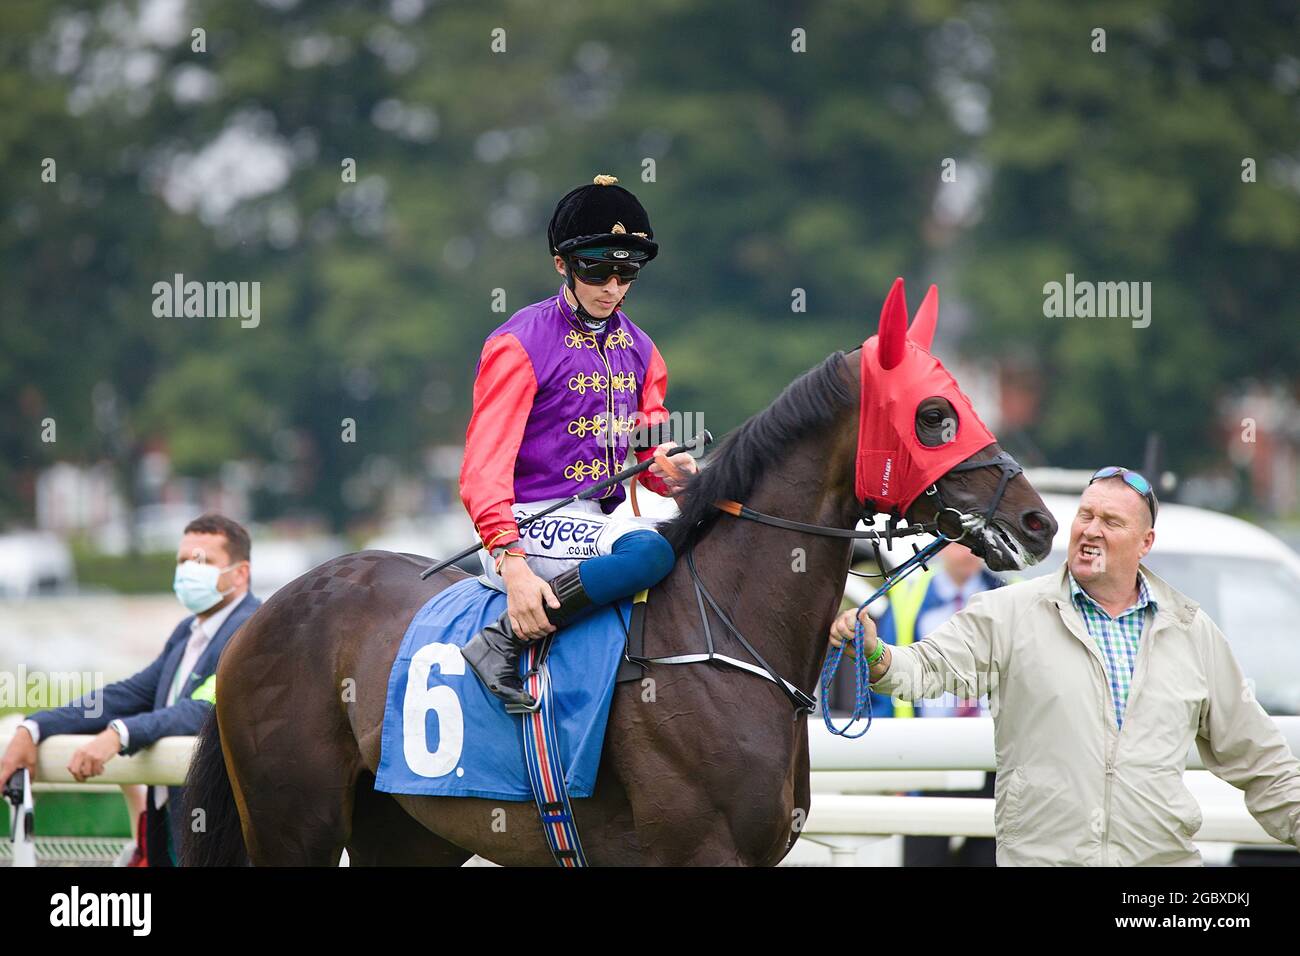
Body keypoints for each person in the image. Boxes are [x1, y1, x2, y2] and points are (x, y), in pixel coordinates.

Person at [829, 466, 1300, 865]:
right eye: (1085, 515)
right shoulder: (1008, 612)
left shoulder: (1193, 632)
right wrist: (875, 651)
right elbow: (925, 669)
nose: (1091, 529)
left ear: (1145, 542)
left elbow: (1261, 761)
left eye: (1111, 521)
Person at [458, 173, 697, 710]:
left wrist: (677, 470)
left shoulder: (642, 349)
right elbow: (481, 472)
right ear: (562, 265)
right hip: (529, 520)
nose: (612, 287)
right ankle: (503, 638)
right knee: (651, 551)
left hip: (597, 518)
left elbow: (648, 448)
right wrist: (512, 565)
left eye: (627, 272)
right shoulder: (518, 343)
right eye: (597, 270)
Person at [0, 514, 261, 866]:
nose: (187, 570)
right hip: (173, 830)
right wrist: (35, 726)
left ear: (240, 573)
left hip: (222, 835)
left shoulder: (253, 632)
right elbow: (127, 694)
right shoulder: (188, 631)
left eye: (201, 561)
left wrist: (120, 734)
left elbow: (205, 708)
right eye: (182, 561)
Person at [835, 542, 1001, 865]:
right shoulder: (905, 596)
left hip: (992, 764)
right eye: (959, 539)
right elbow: (878, 687)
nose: (967, 550)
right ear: (939, 542)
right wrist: (894, 768)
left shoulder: (1008, 596)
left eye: (974, 540)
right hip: (927, 759)